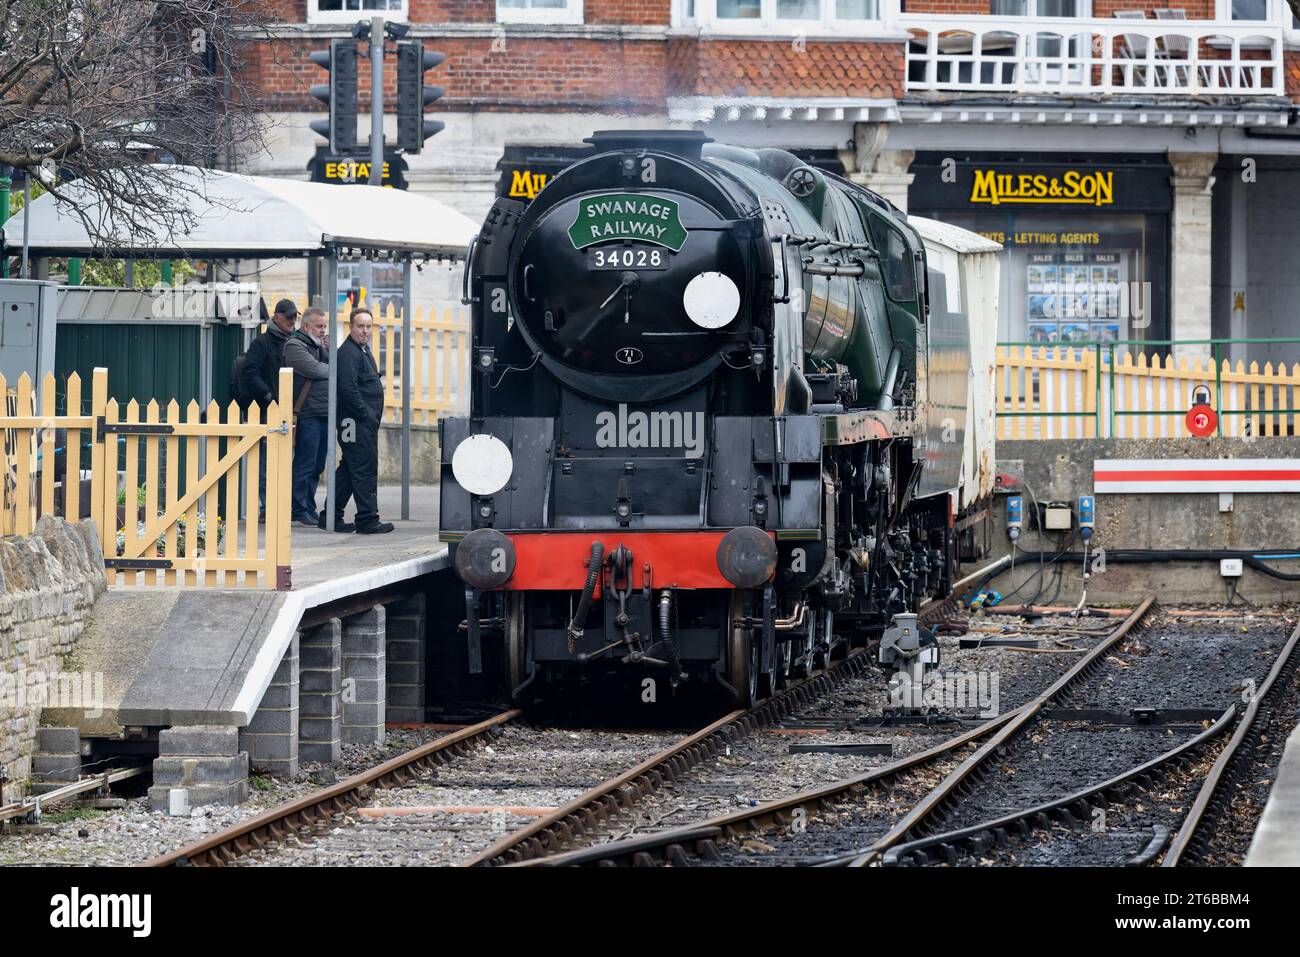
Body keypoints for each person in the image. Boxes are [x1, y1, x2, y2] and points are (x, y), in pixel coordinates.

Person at [326, 306, 393, 534]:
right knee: (363, 468)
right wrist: (365, 414)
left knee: (349, 469)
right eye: (360, 326)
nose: (365, 331)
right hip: (356, 424)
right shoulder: (349, 353)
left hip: (360, 423)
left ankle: (330, 515)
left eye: (368, 326)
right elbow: (347, 388)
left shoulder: (361, 351)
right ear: (351, 327)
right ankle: (367, 519)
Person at [237, 298, 297, 518]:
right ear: (276, 316)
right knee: (265, 463)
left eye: (294, 317)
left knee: (282, 462)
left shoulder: (292, 341)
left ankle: (278, 506)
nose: (292, 320)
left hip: (285, 410)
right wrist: (269, 396)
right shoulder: (262, 343)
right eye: (288, 316)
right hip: (266, 411)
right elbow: (249, 373)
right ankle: (267, 507)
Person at [284, 306, 331, 528]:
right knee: (305, 463)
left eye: (324, 326)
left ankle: (308, 506)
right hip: (307, 413)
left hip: (324, 413)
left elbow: (337, 367)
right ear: (306, 326)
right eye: (319, 326)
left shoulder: (320, 346)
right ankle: (298, 507)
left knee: (317, 465)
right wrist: (332, 367)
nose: (323, 331)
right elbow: (316, 370)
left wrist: (331, 354)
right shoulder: (295, 345)